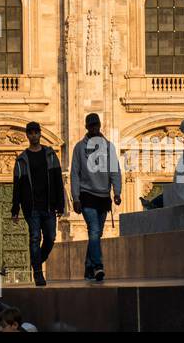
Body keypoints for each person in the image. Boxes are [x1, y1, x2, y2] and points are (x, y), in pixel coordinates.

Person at [10, 121, 67, 286]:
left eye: (36, 132)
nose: (34, 135)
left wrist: (61, 204)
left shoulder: (50, 155)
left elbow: (58, 180)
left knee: (51, 237)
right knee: (35, 237)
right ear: (27, 135)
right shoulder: (22, 159)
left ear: (40, 134)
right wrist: (15, 209)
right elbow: (17, 186)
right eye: (31, 133)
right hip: (31, 206)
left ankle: (38, 260)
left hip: (49, 205)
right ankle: (37, 272)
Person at [70, 112, 122, 283]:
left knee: (96, 234)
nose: (94, 128)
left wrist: (117, 192)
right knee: (93, 230)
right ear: (86, 127)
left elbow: (115, 170)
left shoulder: (108, 147)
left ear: (99, 126)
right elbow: (75, 174)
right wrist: (75, 197)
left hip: (103, 196)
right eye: (91, 126)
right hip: (86, 195)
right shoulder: (79, 148)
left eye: (96, 125)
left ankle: (88, 267)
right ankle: (99, 266)